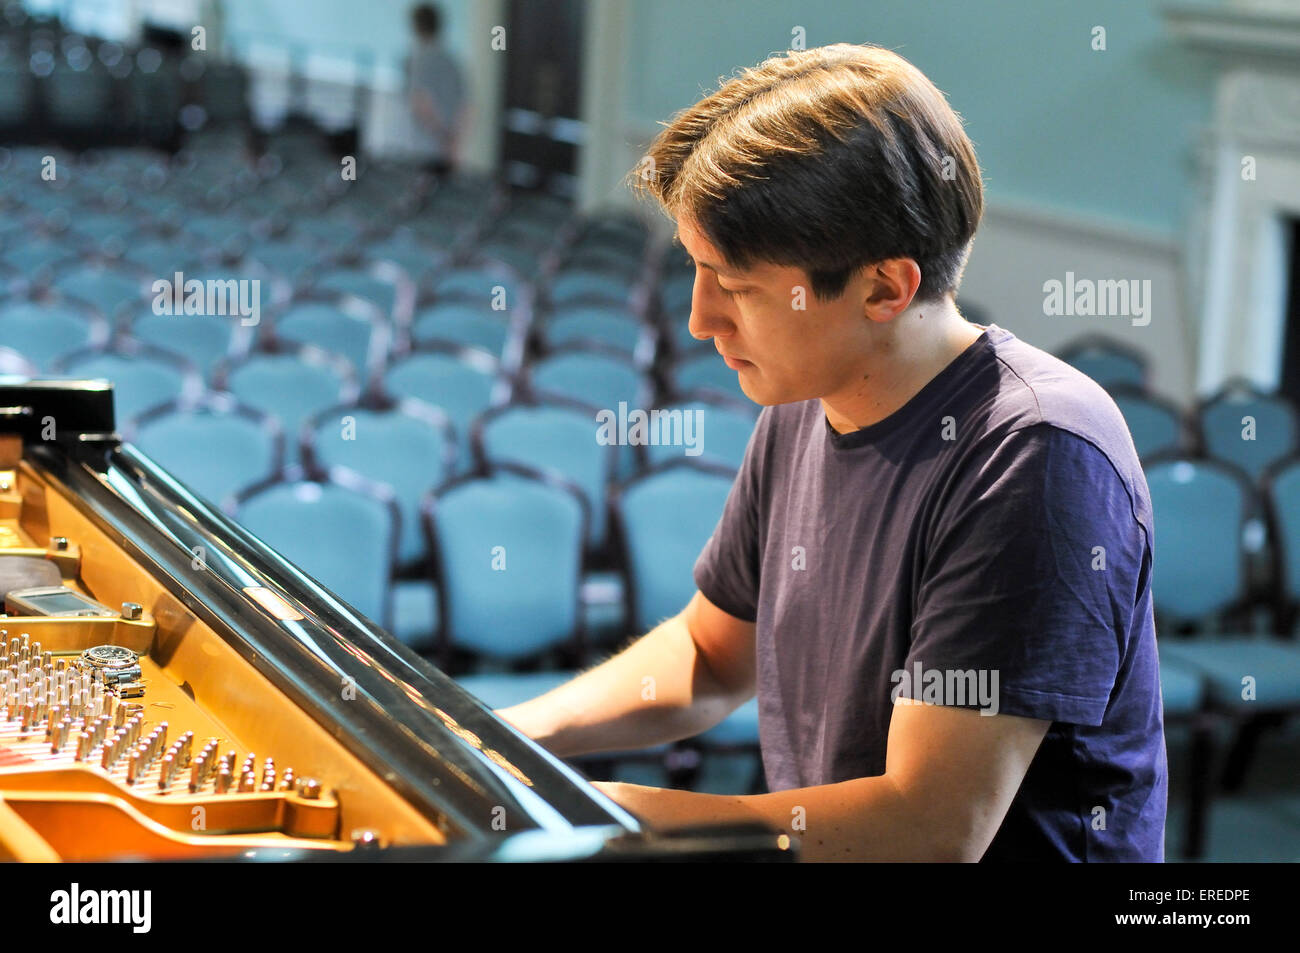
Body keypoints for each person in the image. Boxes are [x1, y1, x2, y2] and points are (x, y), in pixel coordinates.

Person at [498, 42, 1167, 862]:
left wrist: (605, 817)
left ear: (886, 288)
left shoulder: (1036, 454)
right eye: (696, 272)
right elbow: (711, 657)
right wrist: (510, 738)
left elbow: (927, 826)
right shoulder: (808, 399)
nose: (700, 320)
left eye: (736, 286)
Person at [406, 3, 467, 178]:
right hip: (448, 149)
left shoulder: (419, 59)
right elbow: (466, 106)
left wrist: (442, 136)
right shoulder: (452, 61)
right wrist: (454, 142)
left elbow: (420, 103)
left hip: (424, 149)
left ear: (416, 27)